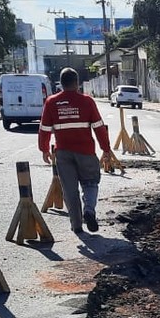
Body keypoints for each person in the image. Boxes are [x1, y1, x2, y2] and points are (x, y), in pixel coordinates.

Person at [38, 67, 113, 234]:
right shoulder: (87, 101)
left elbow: (44, 129)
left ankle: (77, 225)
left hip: (63, 153)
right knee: (90, 183)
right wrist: (106, 149)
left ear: (61, 83)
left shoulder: (51, 102)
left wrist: (44, 149)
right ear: (77, 83)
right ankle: (89, 210)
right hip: (86, 152)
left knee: (70, 190)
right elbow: (99, 127)